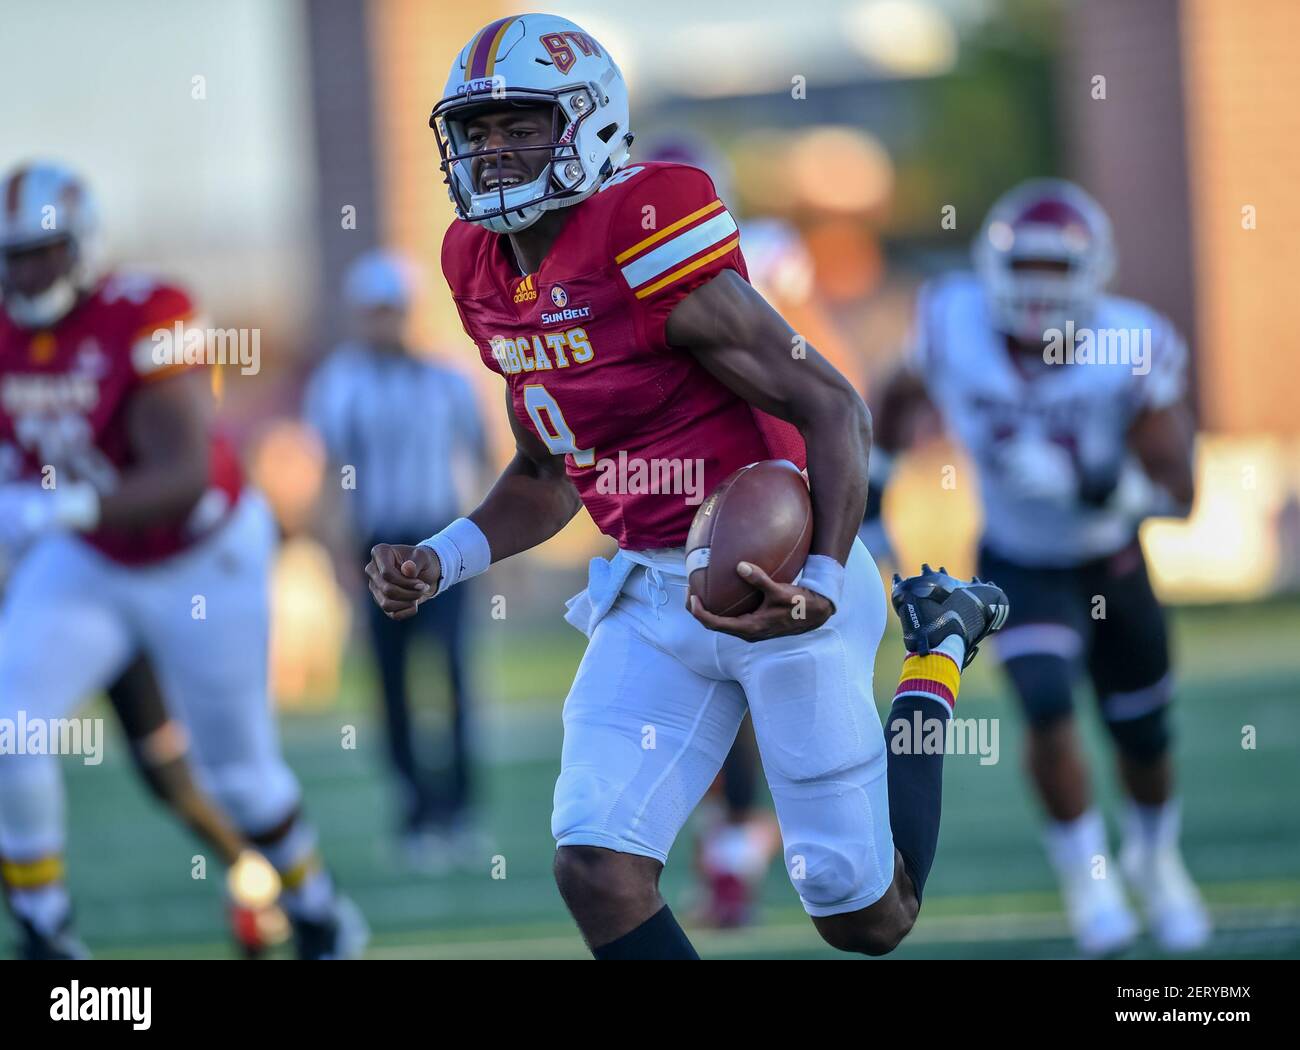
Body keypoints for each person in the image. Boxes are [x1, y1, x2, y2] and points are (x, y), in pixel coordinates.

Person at [365, 14, 1008, 959]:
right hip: (649, 590)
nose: (493, 153)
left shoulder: (642, 230)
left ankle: (938, 651)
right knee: (595, 865)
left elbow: (835, 409)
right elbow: (548, 473)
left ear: (586, 125)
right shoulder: (476, 265)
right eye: (476, 132)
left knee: (863, 916)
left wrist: (823, 586)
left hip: (778, 569)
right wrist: (440, 557)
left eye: (520, 128)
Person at [0, 161, 366, 959]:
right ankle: (44, 930)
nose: (27, 270)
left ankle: (319, 910)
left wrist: (48, 506)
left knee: (240, 775)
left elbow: (182, 473)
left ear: (81, 244)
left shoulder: (148, 310)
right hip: (91, 558)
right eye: (12, 254)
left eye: (42, 249)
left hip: (202, 554)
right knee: (9, 728)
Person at [863, 179, 1211, 955]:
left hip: (1110, 561)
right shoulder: (952, 321)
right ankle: (1088, 878)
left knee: (1144, 734)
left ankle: (1156, 865)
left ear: (1091, 276)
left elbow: (1181, 493)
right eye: (1028, 269)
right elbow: (890, 401)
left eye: (1057, 271)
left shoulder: (1131, 343)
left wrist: (1092, 486)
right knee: (1048, 705)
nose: (1038, 289)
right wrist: (876, 502)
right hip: (1017, 563)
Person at [303, 251, 492, 866]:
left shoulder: (448, 376)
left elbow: (489, 460)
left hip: (442, 541)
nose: (385, 324)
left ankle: (458, 810)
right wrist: (334, 556)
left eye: (393, 311)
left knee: (454, 676)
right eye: (375, 313)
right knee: (391, 686)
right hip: (377, 542)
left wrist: (494, 549)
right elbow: (330, 476)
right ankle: (414, 811)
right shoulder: (341, 381)